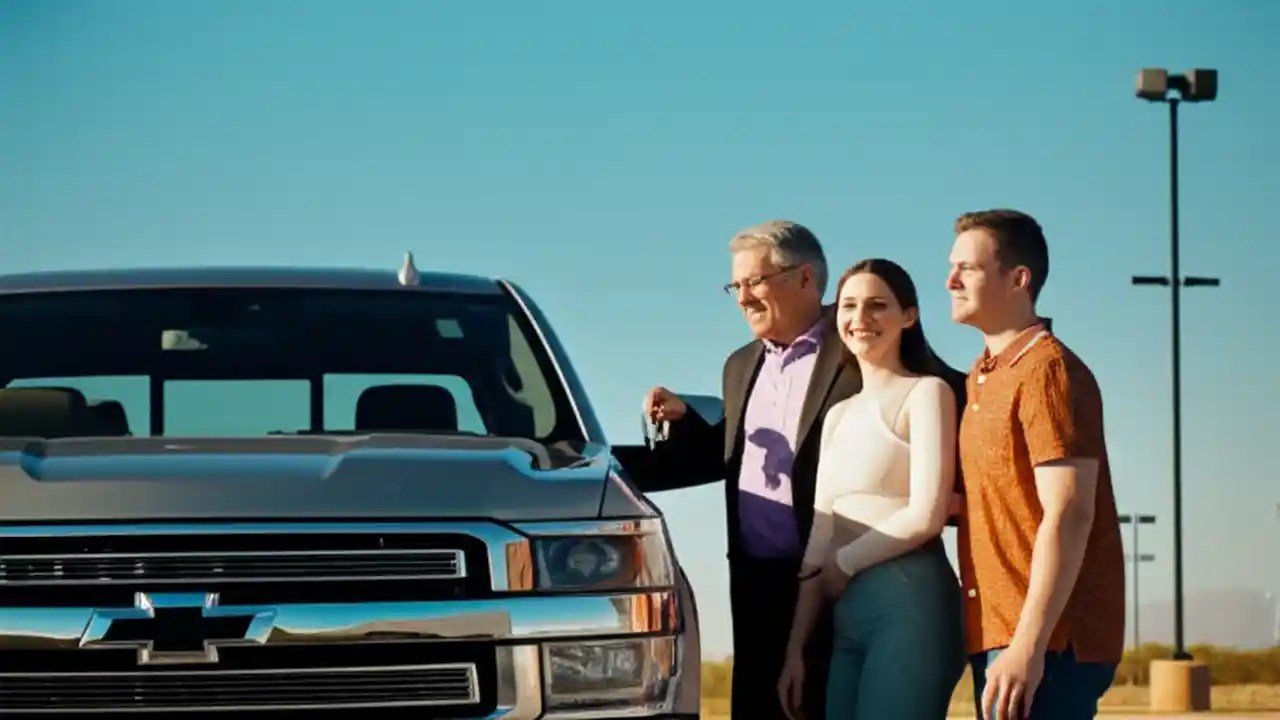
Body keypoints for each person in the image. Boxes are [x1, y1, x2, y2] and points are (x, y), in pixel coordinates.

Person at [617, 220, 862, 720]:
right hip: (755, 582)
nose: (742, 298)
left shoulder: (859, 345)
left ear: (805, 278)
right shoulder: (738, 365)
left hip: (841, 577)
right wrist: (686, 424)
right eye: (736, 285)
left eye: (755, 282)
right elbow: (731, 456)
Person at [947, 209, 1125, 720]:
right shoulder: (980, 378)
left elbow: (1070, 513)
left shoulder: (1049, 371)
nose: (950, 281)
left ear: (1018, 279)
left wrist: (1029, 644)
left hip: (1048, 643)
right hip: (998, 629)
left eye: (969, 269)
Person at [776, 258, 968, 719]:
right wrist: (795, 650)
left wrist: (846, 563)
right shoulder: (838, 415)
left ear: (909, 315)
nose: (860, 320)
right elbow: (818, 539)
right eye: (849, 306)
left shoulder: (927, 393)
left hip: (910, 600)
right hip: (847, 615)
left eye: (878, 306)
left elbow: (927, 513)